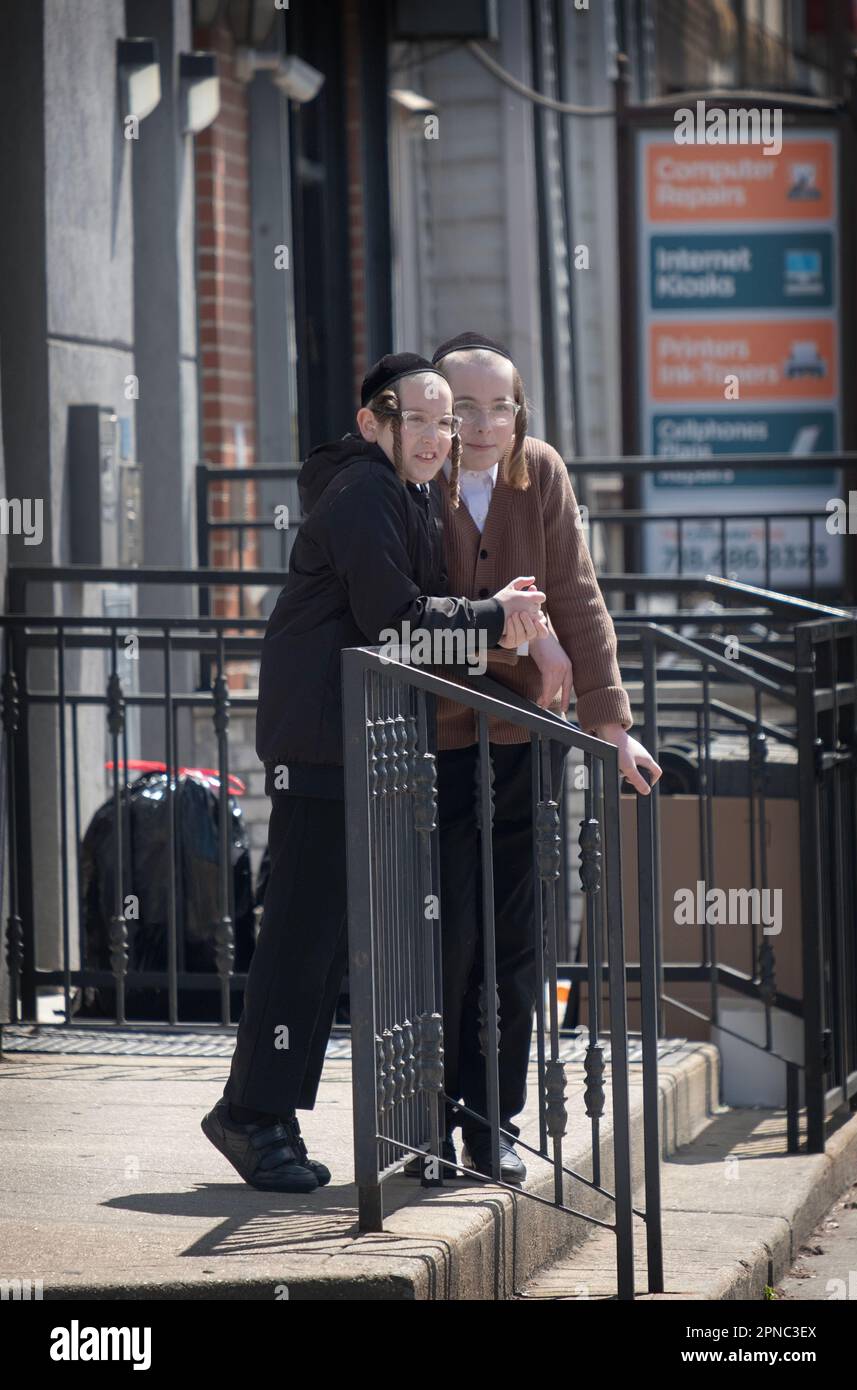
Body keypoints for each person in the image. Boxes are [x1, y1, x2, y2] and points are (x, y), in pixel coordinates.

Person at [201, 352, 548, 1193]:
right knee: (301, 939)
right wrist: (496, 618)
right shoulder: (364, 492)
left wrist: (503, 626)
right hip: (326, 744)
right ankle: (250, 1114)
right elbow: (395, 620)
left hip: (354, 743)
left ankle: (267, 1116)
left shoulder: (402, 493)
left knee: (326, 945)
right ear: (373, 423)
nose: (437, 436)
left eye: (445, 422)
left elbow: (413, 614)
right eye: (418, 419)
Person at [427, 331, 663, 1184]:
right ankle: (429, 1127)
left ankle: (496, 1124)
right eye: (465, 409)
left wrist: (611, 720)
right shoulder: (417, 475)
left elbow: (577, 591)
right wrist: (520, 640)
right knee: (441, 938)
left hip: (526, 744)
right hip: (430, 744)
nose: (484, 425)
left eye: (501, 406)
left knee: (517, 940)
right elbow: (410, 618)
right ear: (435, 413)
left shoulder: (543, 473)